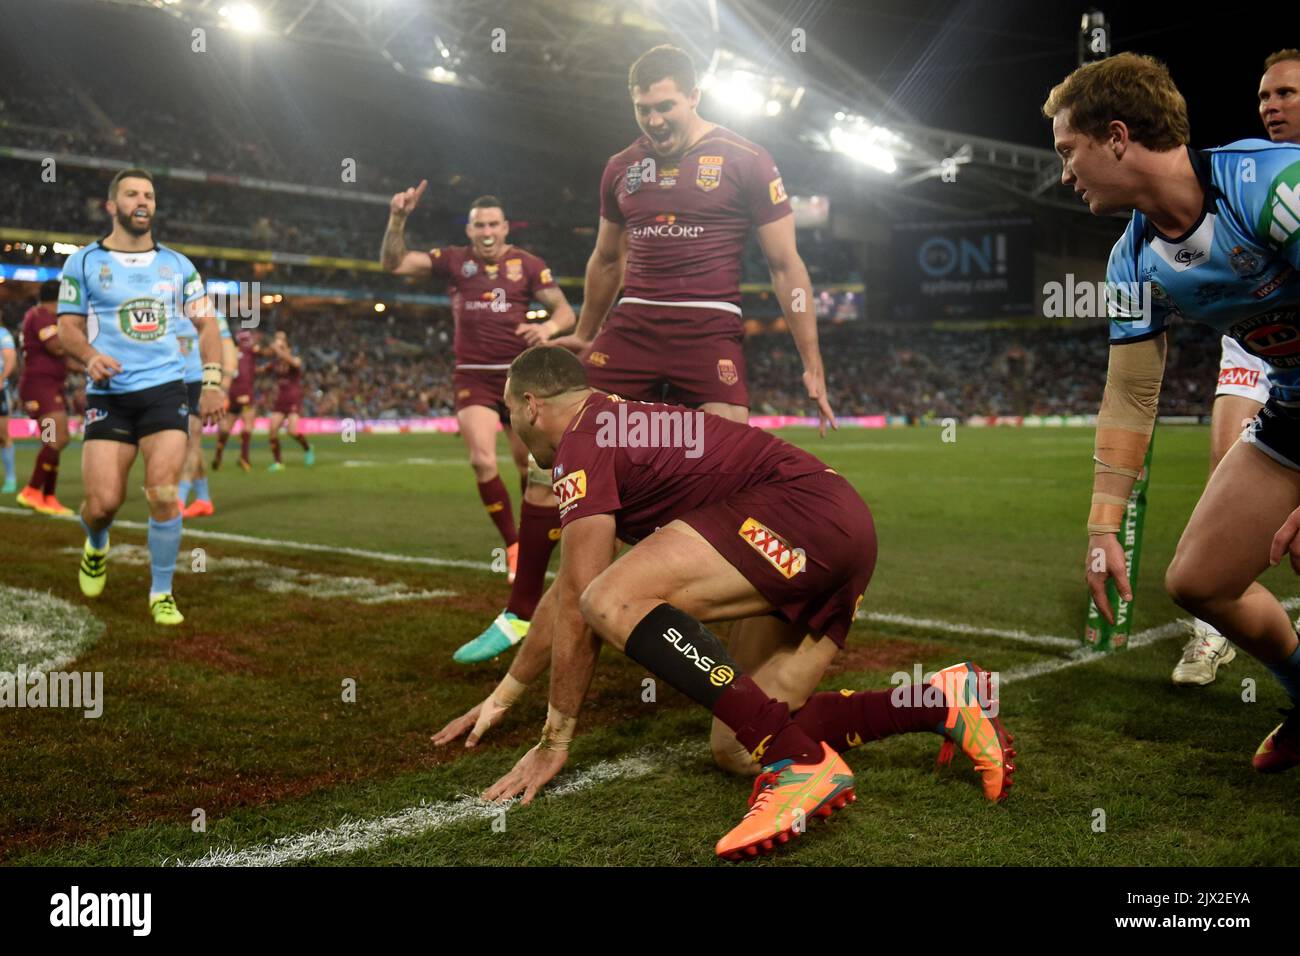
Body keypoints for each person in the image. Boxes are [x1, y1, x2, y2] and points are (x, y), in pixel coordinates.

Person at [444, 347, 1015, 860]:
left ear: (530, 403)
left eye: (508, 415)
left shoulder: (583, 441)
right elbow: (569, 588)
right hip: (835, 526)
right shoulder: (615, 423)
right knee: (738, 748)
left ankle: (799, 764)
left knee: (613, 598)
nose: (511, 430)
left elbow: (582, 602)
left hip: (798, 516)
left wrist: (554, 740)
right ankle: (936, 701)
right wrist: (507, 693)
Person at [458, 44, 838, 663]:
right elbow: (607, 259)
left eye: (665, 106)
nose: (654, 120)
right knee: (549, 457)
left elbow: (785, 263)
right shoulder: (620, 169)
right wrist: (584, 329)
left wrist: (811, 361)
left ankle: (724, 618)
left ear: (693, 96)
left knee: (732, 478)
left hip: (710, 331)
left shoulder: (746, 159)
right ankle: (521, 612)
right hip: (631, 327)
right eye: (642, 109)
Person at [1043, 53, 1300, 770]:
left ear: (1118, 136)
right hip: (1291, 409)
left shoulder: (1272, 185)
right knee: (1200, 583)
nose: (1065, 173)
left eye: (1070, 151)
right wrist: (1103, 526)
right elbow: (1130, 392)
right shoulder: (1131, 262)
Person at [381, 190, 576, 661]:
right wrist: (396, 219)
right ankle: (512, 545)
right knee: (479, 456)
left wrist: (548, 331)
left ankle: (532, 543)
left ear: (506, 228)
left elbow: (565, 311)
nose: (486, 233)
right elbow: (393, 264)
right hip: (471, 377)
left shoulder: (529, 265)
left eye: (494, 225)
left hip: (521, 378)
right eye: (478, 226)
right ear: (468, 230)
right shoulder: (451, 261)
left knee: (531, 470)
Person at [1174, 48, 1300, 685]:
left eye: (1286, 94)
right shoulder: (1245, 174)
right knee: (1227, 468)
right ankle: (1214, 621)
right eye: (1263, 97)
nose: (1271, 106)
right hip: (1261, 340)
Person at [56, 168, 225, 625]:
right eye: (132, 194)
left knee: (165, 491)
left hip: (164, 391)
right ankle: (95, 543)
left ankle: (162, 592)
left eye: (149, 194)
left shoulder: (177, 265)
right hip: (108, 395)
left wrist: (212, 382)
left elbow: (208, 324)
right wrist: (89, 355)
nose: (142, 200)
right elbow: (67, 327)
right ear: (112, 206)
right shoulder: (84, 262)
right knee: (103, 504)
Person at [16, 280, 79, 512]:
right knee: (55, 438)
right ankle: (32, 491)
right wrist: (77, 336)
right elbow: (57, 347)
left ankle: (48, 497)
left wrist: (89, 364)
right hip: (39, 388)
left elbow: (62, 358)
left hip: (50, 387)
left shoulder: (44, 316)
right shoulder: (41, 315)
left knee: (56, 440)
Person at [176, 307, 236, 516]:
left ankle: (178, 499)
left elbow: (228, 351)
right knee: (187, 443)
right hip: (170, 382)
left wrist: (222, 387)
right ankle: (203, 499)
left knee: (191, 437)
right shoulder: (164, 311)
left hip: (199, 383)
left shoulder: (211, 314)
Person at [263, 330, 313, 471]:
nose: (278, 341)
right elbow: (262, 367)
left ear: (287, 345)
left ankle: (308, 448)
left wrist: (279, 349)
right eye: (277, 338)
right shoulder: (276, 362)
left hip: (293, 398)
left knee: (291, 431)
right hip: (280, 399)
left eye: (281, 339)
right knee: (272, 430)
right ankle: (278, 462)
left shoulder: (295, 359)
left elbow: (294, 363)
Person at [212, 328, 258, 471]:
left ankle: (218, 456)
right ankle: (244, 458)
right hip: (245, 393)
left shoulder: (226, 354)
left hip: (231, 393)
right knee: (248, 424)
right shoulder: (249, 351)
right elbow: (262, 351)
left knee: (226, 427)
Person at [0, 319, 17, 495]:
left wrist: (1, 378)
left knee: (2, 435)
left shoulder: (3, 334)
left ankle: (10, 478)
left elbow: (10, 358)